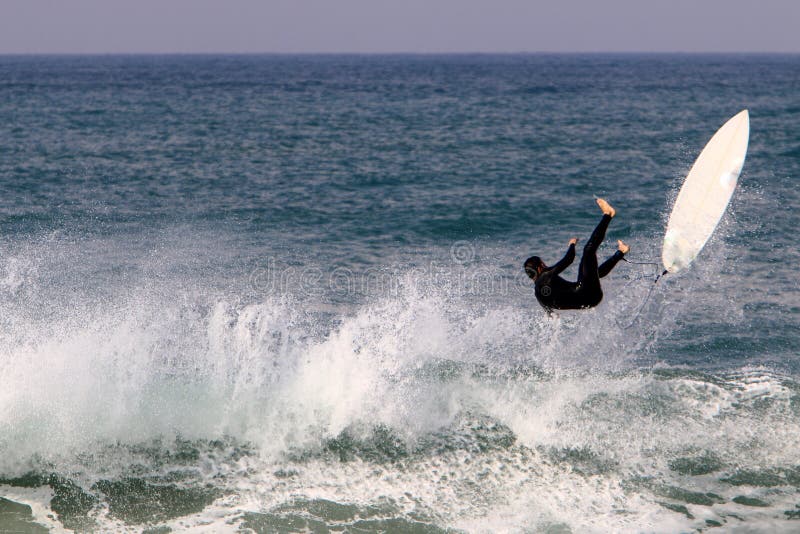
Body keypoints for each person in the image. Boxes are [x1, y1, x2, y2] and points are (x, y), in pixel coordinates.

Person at [524, 198, 629, 311]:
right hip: (588, 292)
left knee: (591, 272)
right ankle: (608, 214)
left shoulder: (538, 295)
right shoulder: (545, 276)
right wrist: (572, 245)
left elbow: (552, 315)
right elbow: (569, 259)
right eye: (543, 264)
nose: (545, 266)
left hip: (589, 302)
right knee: (588, 251)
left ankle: (621, 252)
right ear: (539, 267)